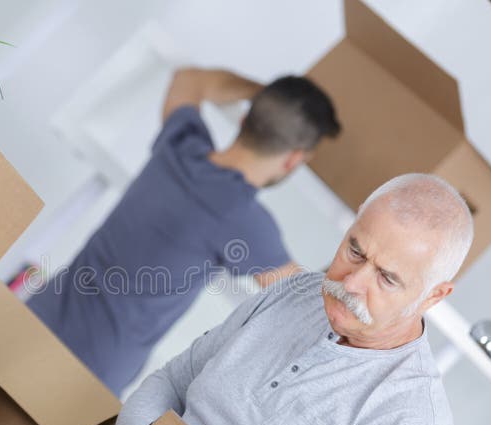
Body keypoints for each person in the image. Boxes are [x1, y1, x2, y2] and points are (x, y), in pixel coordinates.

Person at [90, 173, 474, 425]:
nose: (351, 282)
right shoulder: (294, 293)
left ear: (434, 296)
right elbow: (172, 383)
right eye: (355, 251)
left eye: (387, 278)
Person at [27, 68, 340, 394]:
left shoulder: (180, 144)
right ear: (292, 160)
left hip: (37, 315)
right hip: (87, 372)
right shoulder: (243, 220)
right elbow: (303, 304)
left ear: (246, 120)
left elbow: (188, 79)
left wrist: (266, 99)